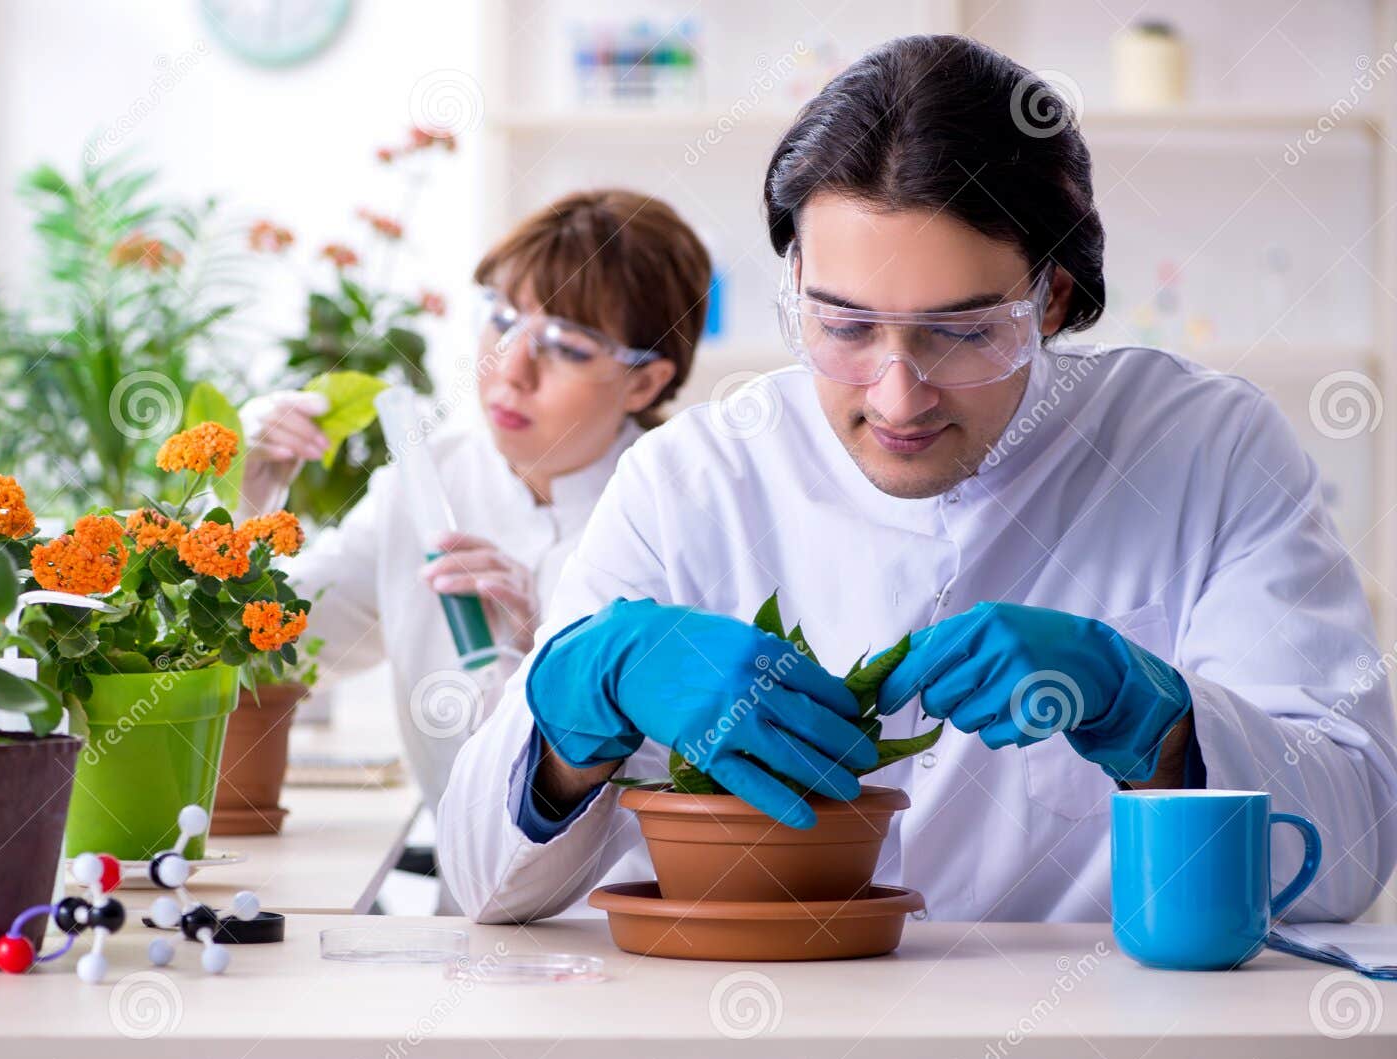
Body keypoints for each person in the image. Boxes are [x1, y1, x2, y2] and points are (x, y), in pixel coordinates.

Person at [437, 35, 1397, 924]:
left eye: (964, 332)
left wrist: (1163, 724)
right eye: (845, 327)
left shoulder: (1205, 447)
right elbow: (483, 886)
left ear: (1052, 296)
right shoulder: (693, 479)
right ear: (795, 282)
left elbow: (1351, 854)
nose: (897, 398)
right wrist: (580, 702)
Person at [238, 190, 710, 906]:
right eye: (502, 320)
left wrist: (546, 652)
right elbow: (271, 648)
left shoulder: (687, 515)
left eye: (566, 347)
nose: (511, 369)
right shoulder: (426, 485)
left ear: (646, 379)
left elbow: (695, 775)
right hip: (471, 925)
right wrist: (245, 496)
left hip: (638, 926)